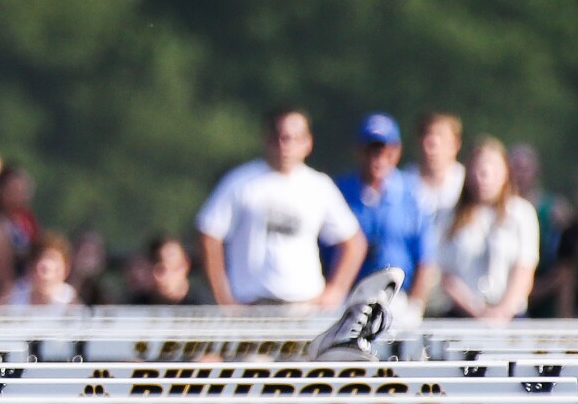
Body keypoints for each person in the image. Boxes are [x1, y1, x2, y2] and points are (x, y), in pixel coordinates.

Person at [197, 107, 366, 307]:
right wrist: (223, 298)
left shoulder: (319, 186)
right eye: (279, 137)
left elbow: (353, 243)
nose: (285, 145)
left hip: (304, 305)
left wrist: (336, 291)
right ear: (267, 140)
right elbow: (208, 235)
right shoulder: (241, 182)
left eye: (294, 138)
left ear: (308, 143)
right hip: (252, 305)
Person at [328, 113, 438, 319]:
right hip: (349, 298)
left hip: (397, 300)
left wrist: (415, 305)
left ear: (396, 152)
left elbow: (425, 259)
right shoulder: (340, 192)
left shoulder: (413, 196)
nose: (377, 159)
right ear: (359, 152)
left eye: (385, 151)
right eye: (371, 151)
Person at [436, 136, 539, 321]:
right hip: (462, 316)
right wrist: (477, 311)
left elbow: (524, 270)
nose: (483, 176)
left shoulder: (522, 214)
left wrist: (502, 312)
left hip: (511, 317)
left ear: (505, 173)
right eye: (477, 169)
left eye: (491, 169)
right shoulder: (448, 216)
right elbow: (445, 275)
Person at [509, 143, 569, 318]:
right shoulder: (497, 213)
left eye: (525, 169)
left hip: (548, 295)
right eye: (515, 168)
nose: (520, 175)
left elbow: (567, 263)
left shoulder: (555, 210)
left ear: (536, 171)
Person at [0, 163, 39, 304]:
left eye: (22, 190)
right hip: (2, 289)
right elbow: (5, 268)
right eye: (13, 189)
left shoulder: (26, 219)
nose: (19, 195)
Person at [405, 111, 465, 219]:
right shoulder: (403, 183)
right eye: (427, 135)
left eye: (441, 136)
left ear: (456, 144)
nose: (433, 145)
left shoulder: (467, 182)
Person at [129, 235, 210, 306]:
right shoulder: (134, 308)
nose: (162, 277)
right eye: (159, 269)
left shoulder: (206, 307)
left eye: (173, 267)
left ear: (186, 265)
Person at [6, 231, 77, 309]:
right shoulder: (14, 295)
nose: (47, 276)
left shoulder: (71, 304)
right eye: (43, 269)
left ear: (65, 270)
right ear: (31, 268)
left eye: (55, 269)